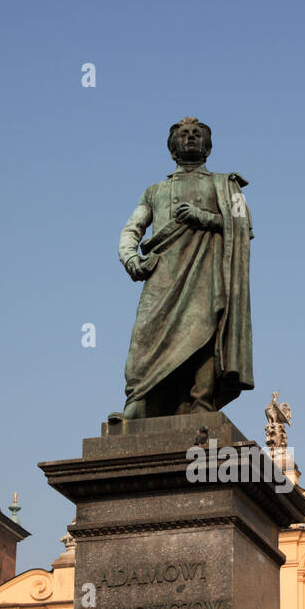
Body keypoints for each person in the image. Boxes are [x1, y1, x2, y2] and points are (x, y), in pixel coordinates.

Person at [115, 117, 253, 418]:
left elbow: (244, 225)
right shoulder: (154, 191)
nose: (190, 138)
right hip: (162, 274)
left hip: (207, 272)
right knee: (144, 337)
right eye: (184, 135)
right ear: (172, 147)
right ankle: (138, 399)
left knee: (203, 332)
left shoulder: (227, 186)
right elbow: (131, 229)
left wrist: (202, 217)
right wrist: (130, 257)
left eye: (197, 134)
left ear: (207, 146)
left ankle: (200, 401)